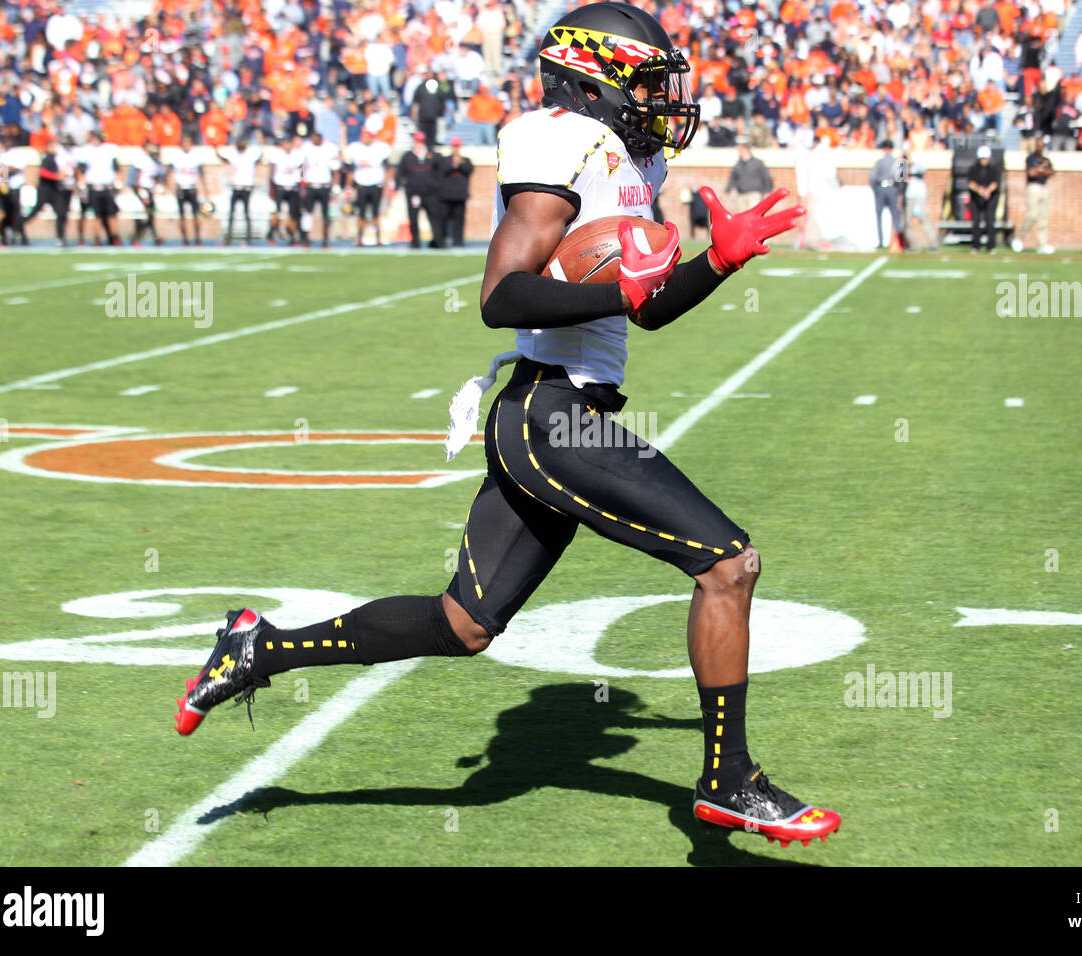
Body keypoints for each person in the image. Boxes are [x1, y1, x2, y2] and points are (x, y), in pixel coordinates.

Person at [174, 0, 840, 851]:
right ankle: (729, 781)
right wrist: (623, 290)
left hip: (557, 410)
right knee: (726, 564)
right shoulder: (560, 138)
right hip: (551, 415)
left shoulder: (624, 160)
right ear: (592, 73)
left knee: (463, 624)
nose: (657, 100)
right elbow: (504, 295)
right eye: (642, 79)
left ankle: (258, 648)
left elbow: (648, 313)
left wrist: (717, 260)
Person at [21, 138, 76, 246]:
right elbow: (43, 172)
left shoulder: (58, 158)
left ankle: (60, 237)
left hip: (54, 190)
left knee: (61, 213)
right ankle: (18, 229)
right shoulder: (47, 158)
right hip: (44, 190)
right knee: (34, 211)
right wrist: (56, 176)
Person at [344, 128, 391, 246]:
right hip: (361, 185)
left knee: (376, 213)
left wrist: (388, 185)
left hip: (376, 184)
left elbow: (387, 169)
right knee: (361, 214)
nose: (365, 138)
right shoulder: (356, 148)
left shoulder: (380, 148)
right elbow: (350, 170)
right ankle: (360, 238)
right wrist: (349, 187)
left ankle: (378, 238)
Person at [75, 129, 122, 245]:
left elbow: (116, 167)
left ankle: (114, 237)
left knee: (111, 214)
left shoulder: (109, 149)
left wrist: (119, 181)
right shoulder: (87, 150)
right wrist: (81, 182)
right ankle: (97, 238)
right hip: (93, 187)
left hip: (108, 186)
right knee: (96, 215)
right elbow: (81, 168)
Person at [396, 131, 441, 249]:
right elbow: (400, 173)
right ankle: (415, 243)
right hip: (413, 193)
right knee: (413, 219)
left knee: (434, 217)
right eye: (417, 141)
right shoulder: (408, 156)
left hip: (430, 193)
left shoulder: (432, 155)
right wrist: (397, 187)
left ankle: (438, 241)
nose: (418, 144)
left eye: (420, 141)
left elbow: (440, 171)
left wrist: (436, 185)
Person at [219, 135, 265, 246]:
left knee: (246, 214)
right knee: (231, 214)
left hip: (246, 188)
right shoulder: (234, 154)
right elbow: (224, 159)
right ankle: (229, 238)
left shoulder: (250, 154)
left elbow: (260, 157)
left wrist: (261, 144)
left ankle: (248, 239)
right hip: (236, 187)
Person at [1013, 137, 1055, 253]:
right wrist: (1041, 169)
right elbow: (1031, 173)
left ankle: (1042, 244)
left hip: (1044, 188)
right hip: (1033, 188)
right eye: (1039, 144)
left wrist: (1040, 170)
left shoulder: (1046, 159)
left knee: (1043, 218)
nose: (1040, 147)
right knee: (1032, 214)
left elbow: (1051, 172)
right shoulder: (1031, 158)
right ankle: (1019, 238)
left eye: (1042, 145)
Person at [302, 130, 341, 248]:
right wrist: (302, 182)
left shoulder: (328, 149)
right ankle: (306, 238)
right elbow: (302, 166)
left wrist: (335, 185)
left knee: (325, 214)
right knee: (308, 213)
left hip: (324, 185)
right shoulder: (307, 148)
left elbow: (335, 169)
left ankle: (325, 239)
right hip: (311, 185)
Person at [166, 134, 207, 246]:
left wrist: (206, 190)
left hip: (192, 188)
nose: (186, 146)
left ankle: (197, 238)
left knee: (195, 214)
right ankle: (185, 239)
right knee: (182, 215)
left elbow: (201, 173)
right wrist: (169, 187)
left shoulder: (195, 156)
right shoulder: (176, 156)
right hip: (181, 189)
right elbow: (168, 172)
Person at [438, 136, 474, 248]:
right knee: (443, 219)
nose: (455, 149)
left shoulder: (465, 160)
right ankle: (442, 241)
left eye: (457, 146)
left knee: (459, 220)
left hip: (460, 195)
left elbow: (470, 170)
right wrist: (452, 165)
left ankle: (458, 241)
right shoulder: (445, 160)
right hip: (447, 195)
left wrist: (460, 164)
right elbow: (441, 170)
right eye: (454, 146)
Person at [127, 143, 162, 246]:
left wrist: (157, 188)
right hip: (143, 190)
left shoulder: (157, 162)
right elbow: (137, 177)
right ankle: (137, 237)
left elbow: (156, 177)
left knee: (150, 215)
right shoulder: (143, 160)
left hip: (150, 190)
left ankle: (153, 236)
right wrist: (141, 192)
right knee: (146, 215)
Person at [967, 144, 1001, 252]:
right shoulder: (973, 168)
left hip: (990, 198)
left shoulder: (993, 169)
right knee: (976, 222)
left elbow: (995, 183)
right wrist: (980, 190)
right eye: (982, 158)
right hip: (976, 198)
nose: (984, 160)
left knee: (990, 221)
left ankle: (991, 246)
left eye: (985, 158)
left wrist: (987, 191)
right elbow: (970, 183)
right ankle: (975, 246)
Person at [869, 139, 901, 249]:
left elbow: (872, 177)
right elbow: (901, 179)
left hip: (881, 188)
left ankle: (881, 241)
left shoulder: (879, 162)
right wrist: (899, 191)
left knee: (879, 216)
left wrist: (875, 189)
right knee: (895, 216)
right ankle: (898, 241)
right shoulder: (897, 161)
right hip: (893, 188)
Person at [725, 136, 771, 213]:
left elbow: (766, 178)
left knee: (753, 215)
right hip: (742, 194)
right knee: (742, 216)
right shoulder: (738, 164)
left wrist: (767, 191)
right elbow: (733, 179)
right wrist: (727, 191)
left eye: (740, 147)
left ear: (745, 148)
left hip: (754, 193)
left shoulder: (758, 163)